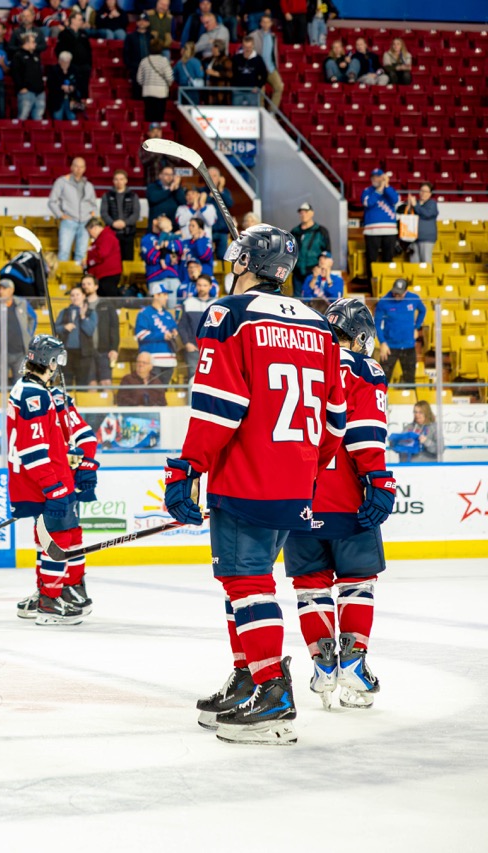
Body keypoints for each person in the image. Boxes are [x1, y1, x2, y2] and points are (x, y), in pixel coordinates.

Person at [163, 223, 346, 746]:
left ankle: (271, 692)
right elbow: (337, 417)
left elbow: (219, 405)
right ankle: (248, 676)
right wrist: (309, 467)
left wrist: (188, 467)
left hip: (246, 473)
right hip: (296, 479)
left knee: (247, 583)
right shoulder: (318, 324)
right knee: (245, 583)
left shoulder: (229, 313)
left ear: (245, 262)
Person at [281, 298, 392, 712]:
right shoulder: (364, 368)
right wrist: (379, 481)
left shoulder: (303, 362)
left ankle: (323, 665)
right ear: (360, 335)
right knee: (357, 583)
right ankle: (354, 665)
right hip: (348, 496)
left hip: (295, 498)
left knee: (310, 586)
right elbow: (364, 432)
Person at [3, 334, 86, 624]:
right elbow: (33, 448)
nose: (58, 366)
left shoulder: (30, 388)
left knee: (54, 537)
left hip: (41, 479)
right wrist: (54, 487)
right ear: (49, 361)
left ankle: (51, 591)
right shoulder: (33, 394)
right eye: (57, 360)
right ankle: (50, 600)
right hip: (43, 482)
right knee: (56, 539)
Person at [0, 279, 37, 388]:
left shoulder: (22, 303)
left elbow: (33, 318)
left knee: (20, 387)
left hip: (20, 352)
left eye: (4, 288)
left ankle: (17, 405)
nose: (1, 291)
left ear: (11, 290)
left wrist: (28, 335)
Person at [374, 278, 426, 386]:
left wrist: (417, 327)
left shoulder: (413, 298)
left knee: (410, 380)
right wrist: (382, 342)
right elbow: (377, 324)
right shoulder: (383, 302)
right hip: (389, 347)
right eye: (395, 292)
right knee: (382, 381)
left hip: (408, 346)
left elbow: (423, 310)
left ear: (406, 291)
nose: (397, 295)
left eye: (400, 293)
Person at [48, 157, 98, 265]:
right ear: (71, 167)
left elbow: (93, 205)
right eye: (76, 166)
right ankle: (62, 280)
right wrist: (61, 215)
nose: (78, 169)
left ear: (84, 169)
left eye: (81, 167)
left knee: (81, 254)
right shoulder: (61, 182)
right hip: (68, 222)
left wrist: (91, 217)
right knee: (64, 253)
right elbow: (52, 202)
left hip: (85, 223)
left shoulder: (88, 185)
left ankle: (79, 281)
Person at [81, 274, 120, 385]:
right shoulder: (80, 305)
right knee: (90, 384)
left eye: (89, 284)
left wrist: (114, 348)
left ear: (96, 286)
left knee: (106, 382)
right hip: (86, 353)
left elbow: (114, 328)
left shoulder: (107, 305)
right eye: (83, 284)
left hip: (105, 351)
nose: (86, 286)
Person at [135, 289, 179, 387]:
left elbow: (173, 328)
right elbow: (141, 334)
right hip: (152, 359)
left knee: (163, 391)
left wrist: (174, 332)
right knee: (152, 391)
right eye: (164, 294)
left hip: (169, 360)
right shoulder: (144, 313)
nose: (166, 297)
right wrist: (162, 335)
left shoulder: (168, 314)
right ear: (156, 295)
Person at [178, 275, 217, 379]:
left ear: (210, 286)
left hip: (212, 349)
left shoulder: (217, 304)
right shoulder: (188, 303)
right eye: (199, 285)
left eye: (204, 285)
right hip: (193, 349)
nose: (201, 288)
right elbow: (182, 326)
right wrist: (187, 343)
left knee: (212, 379)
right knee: (193, 378)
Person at [60, 285, 97, 389]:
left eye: (77, 294)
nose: (75, 297)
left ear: (83, 296)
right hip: (67, 354)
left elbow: (90, 331)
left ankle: (80, 404)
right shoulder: (64, 312)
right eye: (72, 295)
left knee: (82, 384)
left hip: (83, 354)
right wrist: (64, 327)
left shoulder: (91, 313)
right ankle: (67, 405)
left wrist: (83, 317)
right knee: (66, 384)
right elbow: (56, 327)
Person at [143, 214, 184, 306]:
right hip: (156, 277)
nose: (162, 223)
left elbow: (180, 249)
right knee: (157, 309)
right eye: (160, 221)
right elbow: (151, 258)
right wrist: (169, 256)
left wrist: (165, 246)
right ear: (155, 222)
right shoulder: (147, 238)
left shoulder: (171, 236)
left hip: (173, 277)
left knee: (174, 308)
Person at [100, 170, 139, 262]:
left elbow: (136, 214)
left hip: (128, 233)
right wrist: (113, 223)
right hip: (111, 233)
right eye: (116, 179)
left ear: (126, 180)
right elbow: (104, 213)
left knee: (127, 261)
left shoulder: (133, 196)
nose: (119, 182)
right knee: (111, 261)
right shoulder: (106, 195)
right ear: (113, 181)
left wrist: (125, 223)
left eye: (121, 179)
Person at [289, 202, 330, 285]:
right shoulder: (295, 232)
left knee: (312, 296)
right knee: (298, 297)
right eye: (301, 213)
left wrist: (321, 267)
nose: (303, 215)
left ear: (312, 213)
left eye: (306, 212)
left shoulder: (321, 231)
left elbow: (327, 252)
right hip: (297, 273)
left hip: (314, 272)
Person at [11, 32, 47, 120]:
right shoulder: (18, 56)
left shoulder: (36, 55)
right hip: (26, 91)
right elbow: (15, 73)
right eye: (33, 42)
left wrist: (42, 87)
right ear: (26, 43)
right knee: (23, 116)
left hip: (39, 91)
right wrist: (21, 87)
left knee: (38, 117)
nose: (35, 44)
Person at [84, 217, 123, 297]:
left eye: (89, 232)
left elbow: (101, 254)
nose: (89, 235)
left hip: (107, 275)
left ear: (95, 228)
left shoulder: (107, 237)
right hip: (101, 275)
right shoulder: (100, 239)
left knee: (109, 300)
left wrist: (89, 262)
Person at [136, 44, 173, 122]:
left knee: (149, 118)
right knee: (159, 118)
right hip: (161, 93)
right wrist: (167, 85)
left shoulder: (144, 61)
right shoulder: (164, 61)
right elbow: (169, 77)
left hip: (148, 92)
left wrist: (146, 85)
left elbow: (139, 79)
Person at [408, 183, 439, 264]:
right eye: (422, 191)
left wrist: (415, 205)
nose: (423, 193)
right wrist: (409, 205)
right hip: (413, 237)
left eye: (426, 191)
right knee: (414, 262)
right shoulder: (416, 202)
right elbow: (406, 215)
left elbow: (427, 214)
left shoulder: (432, 203)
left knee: (426, 261)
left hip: (426, 238)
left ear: (430, 194)